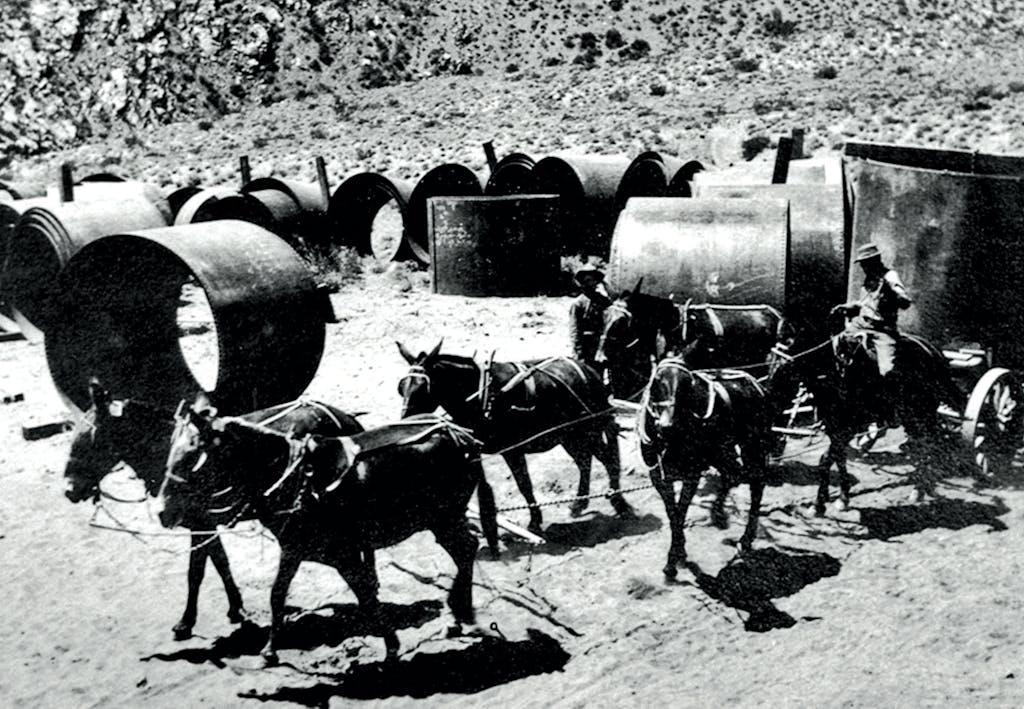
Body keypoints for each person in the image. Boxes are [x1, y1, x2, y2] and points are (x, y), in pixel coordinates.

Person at [835, 242, 913, 420]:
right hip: (860, 325)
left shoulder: (890, 276)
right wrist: (847, 307)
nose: (863, 267)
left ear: (875, 260)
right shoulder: (868, 279)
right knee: (836, 348)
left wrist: (896, 292)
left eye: (865, 262)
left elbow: (905, 301)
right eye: (862, 263)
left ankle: (892, 409)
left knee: (887, 370)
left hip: (882, 331)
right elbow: (865, 304)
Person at [569, 264, 610, 370]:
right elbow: (574, 330)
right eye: (586, 280)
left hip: (602, 345)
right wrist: (578, 352)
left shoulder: (603, 301)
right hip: (586, 346)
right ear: (582, 283)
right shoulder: (578, 304)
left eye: (593, 280)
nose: (590, 283)